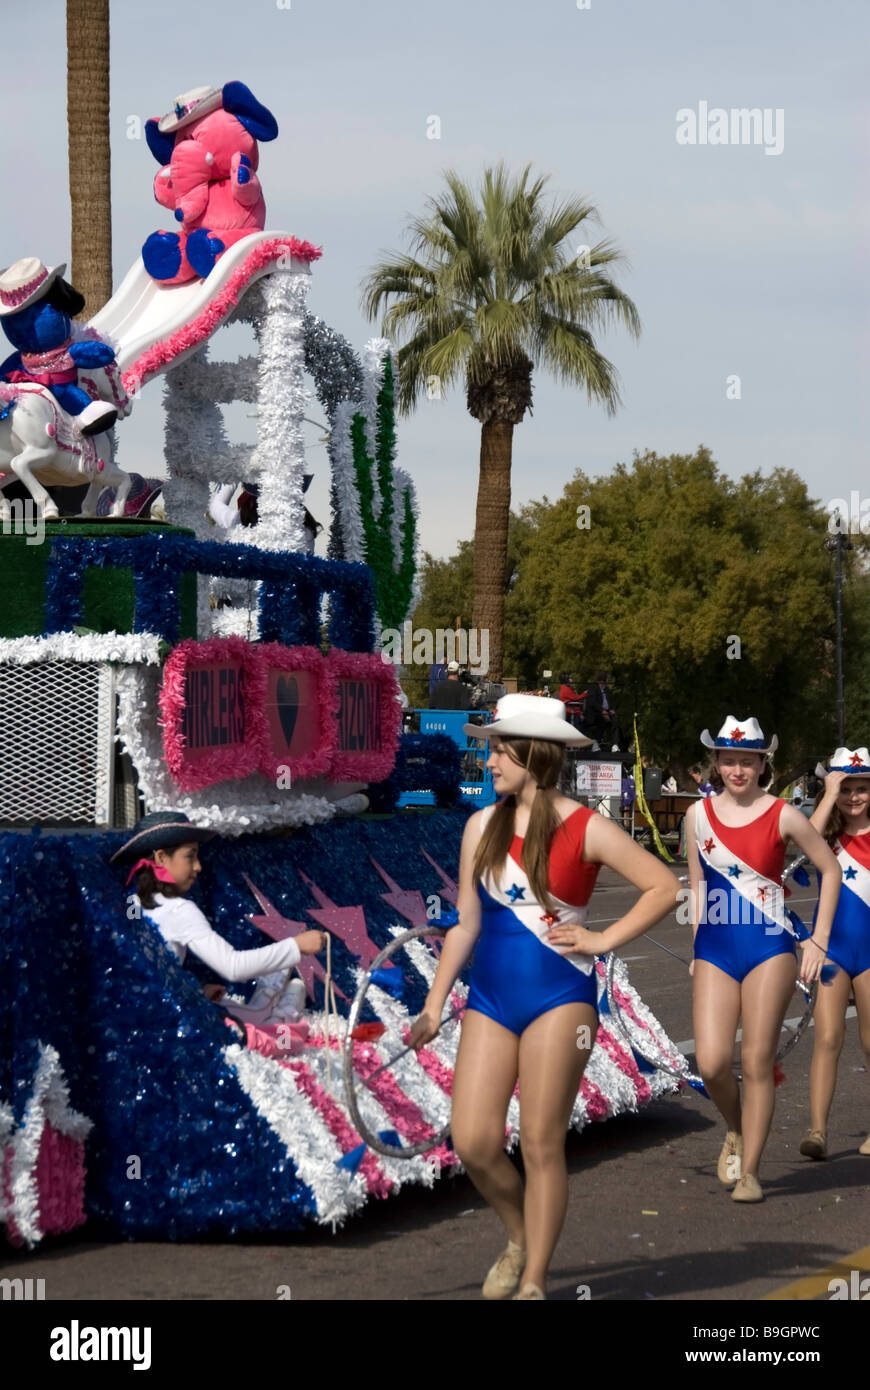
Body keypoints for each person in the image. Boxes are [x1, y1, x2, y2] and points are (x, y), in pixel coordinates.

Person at [410, 695, 679, 1299]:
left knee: (539, 1140)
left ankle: (534, 1281)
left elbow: (663, 887)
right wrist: (434, 1003)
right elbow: (466, 924)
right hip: (491, 999)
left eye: (498, 748)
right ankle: (517, 1235)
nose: (489, 759)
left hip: (562, 996)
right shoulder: (480, 825)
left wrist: (603, 936)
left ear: (532, 754)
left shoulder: (585, 826)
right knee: (474, 1140)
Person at [686, 717, 841, 1203]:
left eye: (747, 761)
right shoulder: (697, 817)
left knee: (755, 1059)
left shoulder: (783, 815)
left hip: (770, 947)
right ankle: (735, 1128)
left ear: (762, 764)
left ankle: (750, 1170)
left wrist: (817, 940)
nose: (737, 769)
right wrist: (696, 947)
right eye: (729, 760)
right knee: (711, 1063)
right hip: (714, 946)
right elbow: (695, 886)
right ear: (717, 763)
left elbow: (830, 869)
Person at [110, 812, 325, 1004]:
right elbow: (233, 967)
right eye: (190, 855)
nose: (198, 866)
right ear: (162, 858)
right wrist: (297, 947)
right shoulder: (179, 910)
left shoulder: (131, 902)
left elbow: (152, 977)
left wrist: (195, 992)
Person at [800, 748, 870, 1160]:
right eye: (847, 789)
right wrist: (827, 794)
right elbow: (801, 838)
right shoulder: (825, 837)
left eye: (862, 789)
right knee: (827, 1037)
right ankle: (817, 1131)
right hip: (830, 950)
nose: (854, 796)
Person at [582, 670, 617, 748]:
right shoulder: (593, 688)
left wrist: (612, 709)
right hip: (595, 712)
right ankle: (596, 742)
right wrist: (603, 711)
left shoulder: (607, 689)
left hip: (606, 712)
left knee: (615, 719)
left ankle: (615, 744)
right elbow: (592, 703)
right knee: (601, 720)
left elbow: (611, 701)